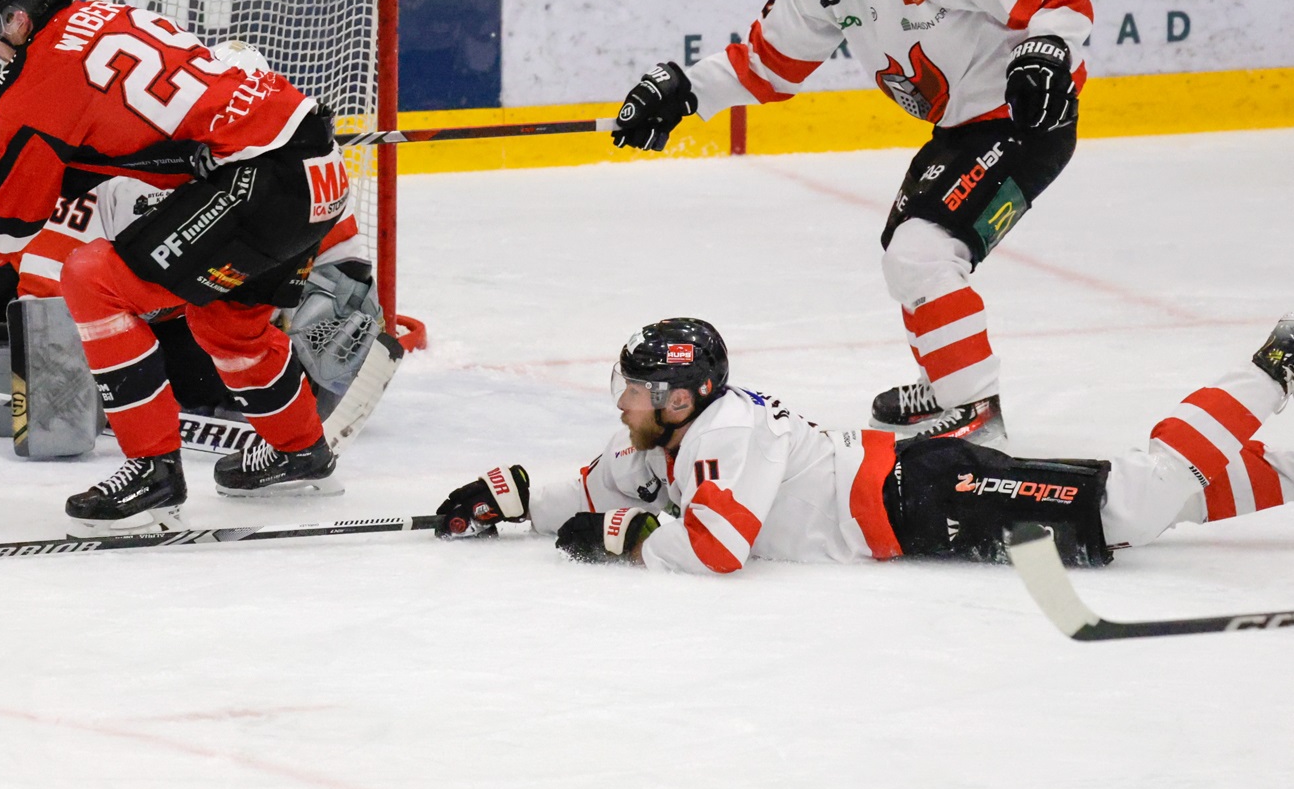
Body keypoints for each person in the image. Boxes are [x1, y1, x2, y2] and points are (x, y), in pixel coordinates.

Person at [609, 0, 1094, 446]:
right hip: (959, 131)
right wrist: (684, 92)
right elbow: (769, 65)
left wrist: (1049, 53)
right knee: (907, 256)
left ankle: (976, 416)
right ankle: (951, 388)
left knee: (923, 254)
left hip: (1023, 122)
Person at [0, 0, 351, 535]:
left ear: (18, 19)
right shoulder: (105, 17)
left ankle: (154, 473)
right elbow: (150, 134)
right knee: (227, 322)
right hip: (318, 172)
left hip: (260, 181)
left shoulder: (39, 82)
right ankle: (301, 450)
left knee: (94, 280)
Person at [434, 316, 1294, 572]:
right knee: (1147, 509)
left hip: (930, 496)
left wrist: (621, 539)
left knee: (1135, 503)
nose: (621, 401)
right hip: (918, 496)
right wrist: (505, 496)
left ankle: (1274, 366)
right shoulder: (666, 441)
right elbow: (596, 486)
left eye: (636, 389)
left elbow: (718, 549)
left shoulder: (724, 434)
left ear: (682, 397)